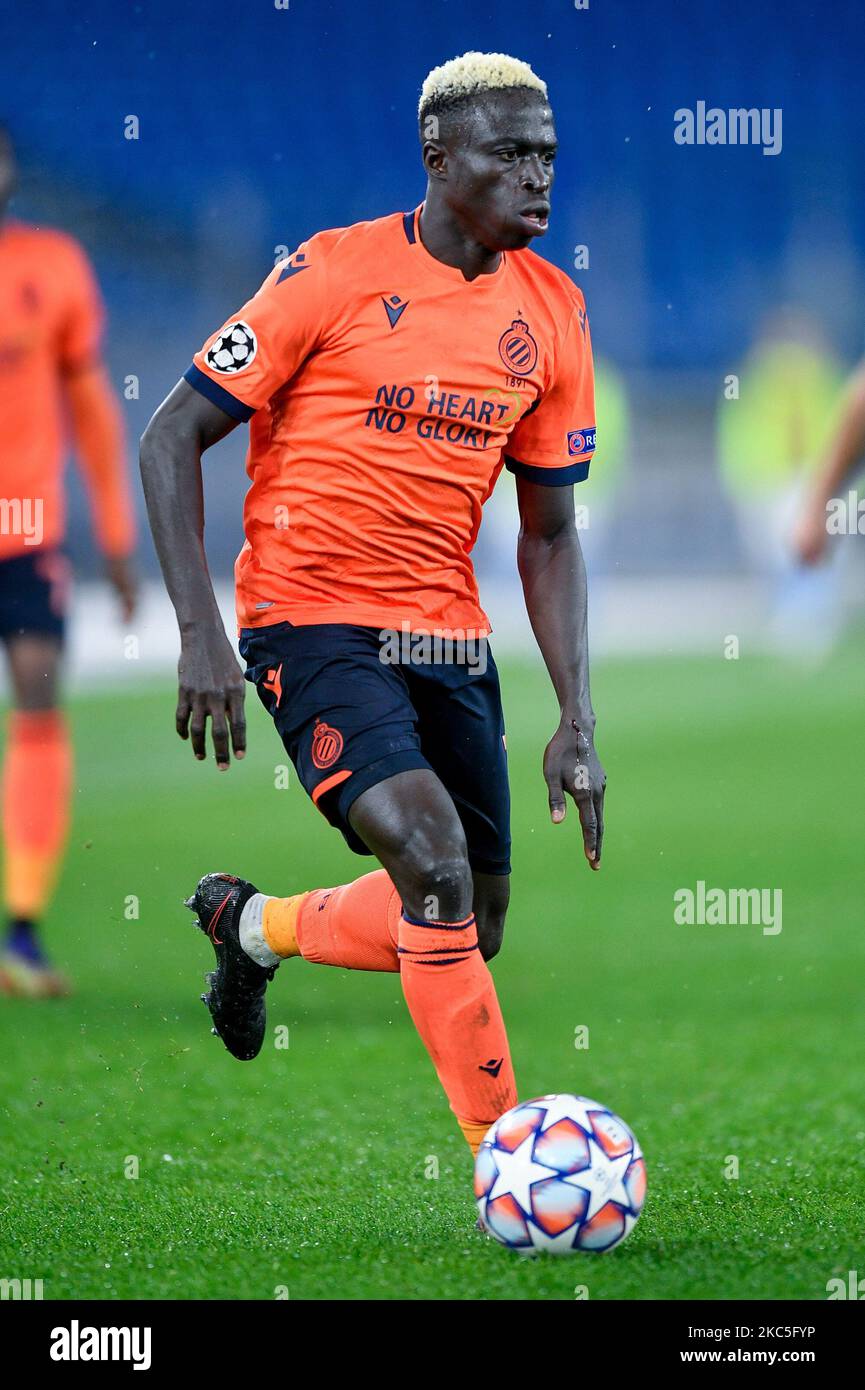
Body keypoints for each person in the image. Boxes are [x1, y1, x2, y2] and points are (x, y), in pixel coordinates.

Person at [140, 52, 605, 1157]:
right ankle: (511, 1163)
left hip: (446, 633)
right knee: (433, 864)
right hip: (310, 617)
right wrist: (201, 633)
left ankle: (253, 929)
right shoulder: (330, 273)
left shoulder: (555, 313)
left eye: (545, 154)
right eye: (509, 154)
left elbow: (549, 534)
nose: (537, 176)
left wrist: (576, 718)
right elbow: (170, 437)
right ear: (439, 162)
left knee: (466, 920)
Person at [0, 125, 137, 997]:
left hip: (25, 529)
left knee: (39, 691)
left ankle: (22, 927)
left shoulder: (51, 265)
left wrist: (119, 538)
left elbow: (92, 412)